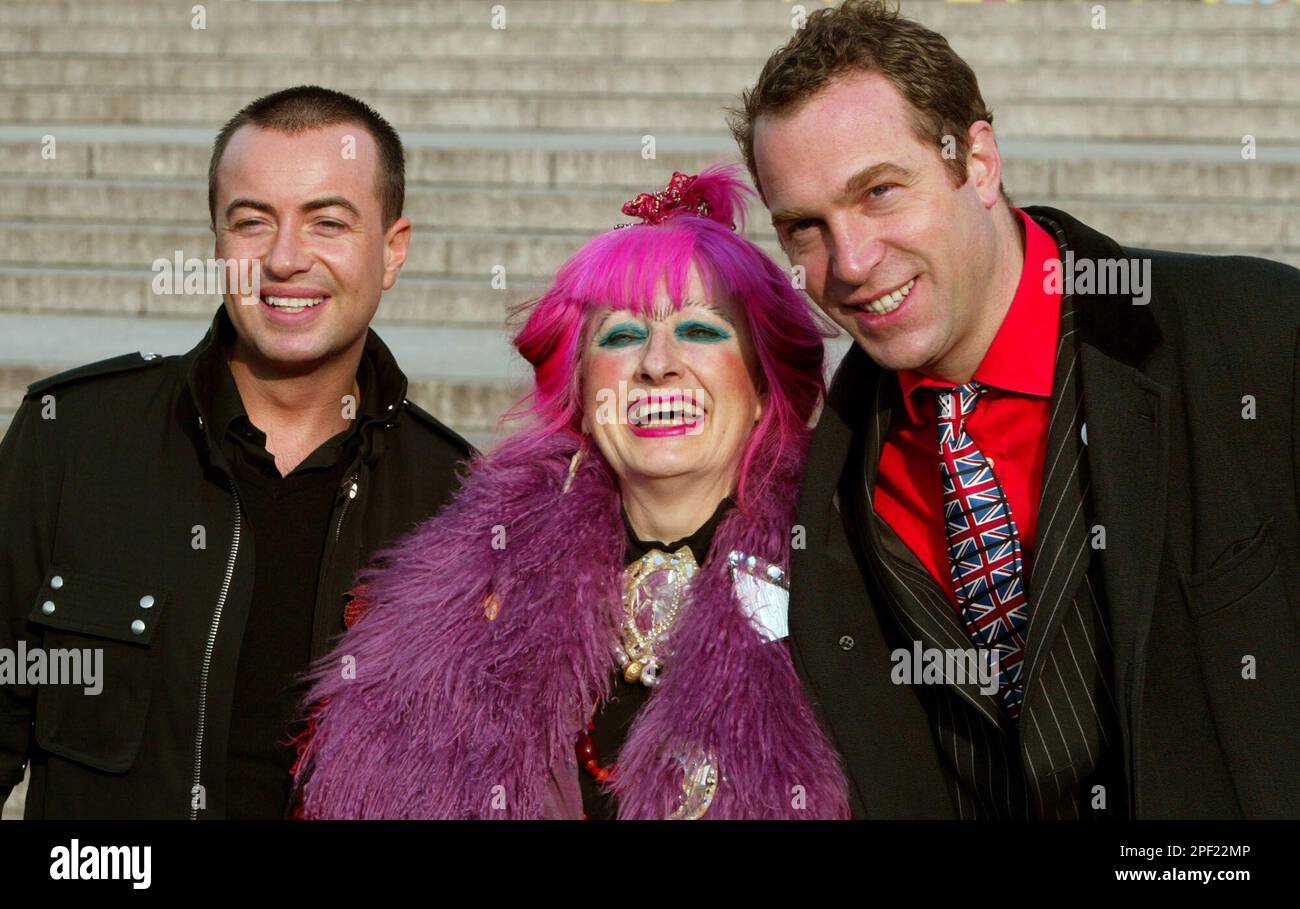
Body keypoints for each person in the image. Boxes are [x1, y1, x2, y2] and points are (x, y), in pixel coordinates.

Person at [730, 0, 1300, 818]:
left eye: (881, 191)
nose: (850, 261)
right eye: (805, 227)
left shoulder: (1260, 338)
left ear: (981, 161)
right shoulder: (830, 480)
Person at [292, 167, 850, 819]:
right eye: (621, 335)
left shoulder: (845, 577)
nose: (657, 362)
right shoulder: (468, 594)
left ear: (761, 387)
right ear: (581, 392)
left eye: (701, 330)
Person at [0, 85, 470, 819]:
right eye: (252, 222)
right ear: (218, 243)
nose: (285, 259)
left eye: (328, 222)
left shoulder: (459, 500)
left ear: (392, 250)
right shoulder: (70, 439)